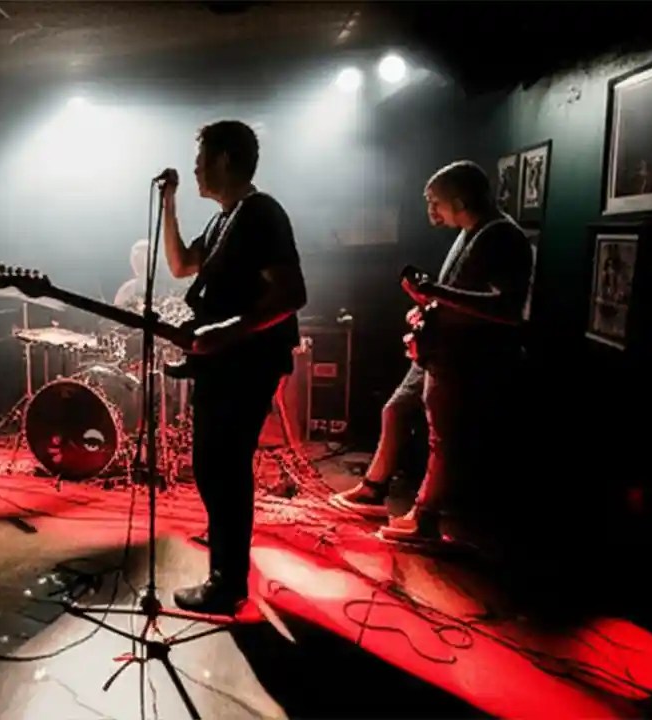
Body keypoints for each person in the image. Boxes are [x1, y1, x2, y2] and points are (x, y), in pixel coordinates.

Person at [330, 161, 533, 543]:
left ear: (459, 199)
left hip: (466, 359)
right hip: (439, 352)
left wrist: (436, 294)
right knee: (394, 409)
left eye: (435, 202)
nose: (430, 212)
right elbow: (462, 297)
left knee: (445, 440)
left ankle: (426, 518)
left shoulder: (503, 237)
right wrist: (427, 309)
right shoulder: (470, 231)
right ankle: (374, 489)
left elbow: (507, 309)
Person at [160, 120, 307, 614]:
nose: (196, 169)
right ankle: (227, 559)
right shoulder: (225, 219)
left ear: (224, 159)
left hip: (247, 362)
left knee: (222, 465)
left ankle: (228, 582)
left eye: (201, 160)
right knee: (212, 464)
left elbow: (291, 294)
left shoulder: (261, 214)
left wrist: (225, 333)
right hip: (224, 363)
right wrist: (169, 204)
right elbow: (180, 265)